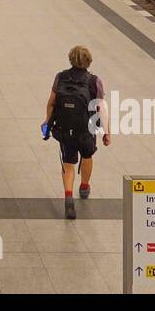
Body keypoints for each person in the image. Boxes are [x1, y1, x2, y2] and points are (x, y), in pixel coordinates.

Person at [41, 46, 109, 220]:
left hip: (65, 130)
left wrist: (47, 122)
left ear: (70, 59)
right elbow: (101, 108)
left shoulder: (60, 77)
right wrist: (107, 132)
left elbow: (51, 103)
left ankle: (69, 196)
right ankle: (84, 186)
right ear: (89, 61)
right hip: (87, 129)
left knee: (68, 163)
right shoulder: (95, 81)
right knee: (87, 157)